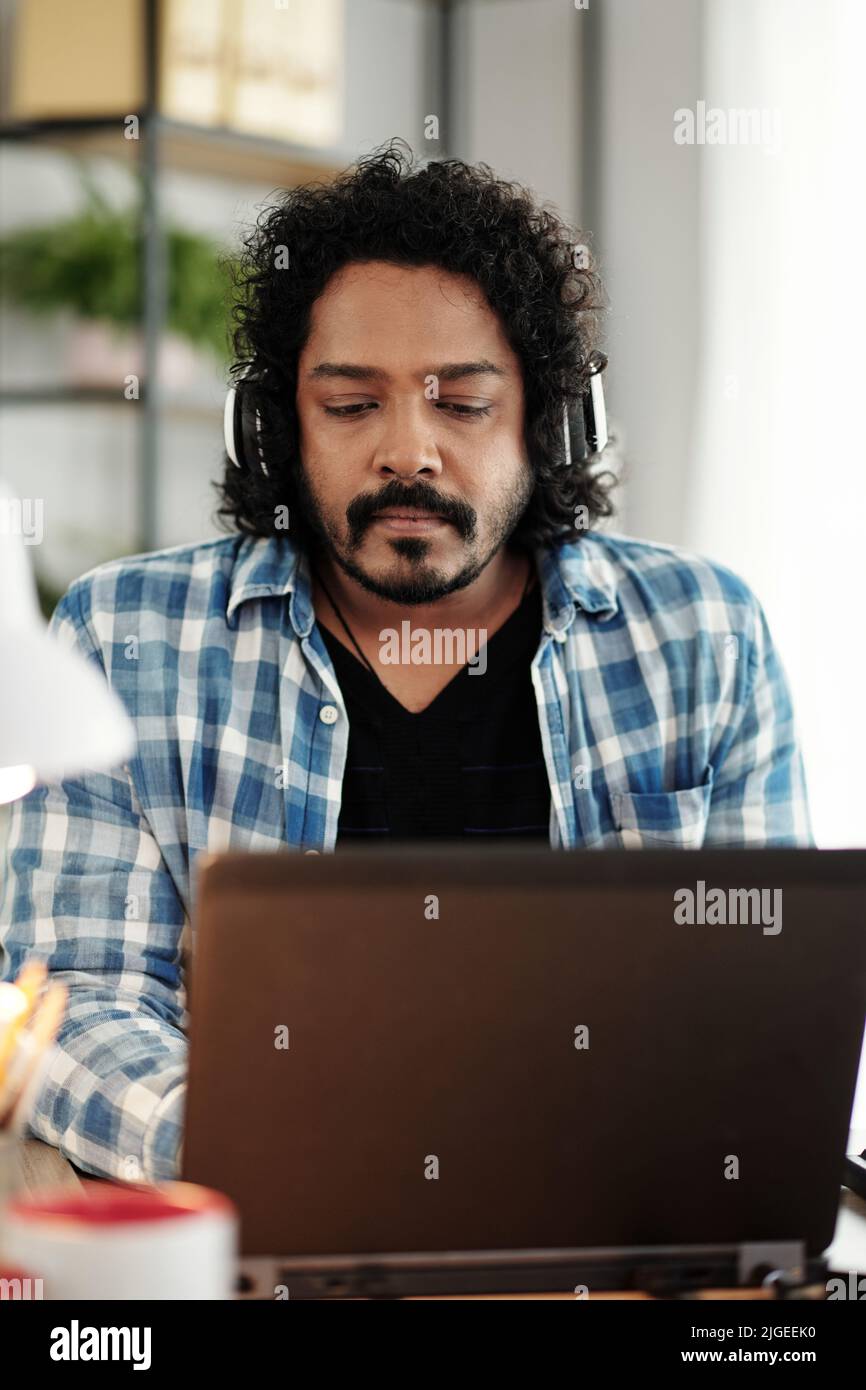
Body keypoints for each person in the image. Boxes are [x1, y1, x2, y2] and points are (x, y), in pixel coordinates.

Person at [0, 142, 812, 1182]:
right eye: (349, 405)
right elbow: (74, 996)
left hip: (603, 1223)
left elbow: (761, 1007)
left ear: (553, 424)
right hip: (268, 1218)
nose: (407, 451)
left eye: (462, 403)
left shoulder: (702, 637)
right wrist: (274, 1146)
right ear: (275, 430)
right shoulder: (126, 638)